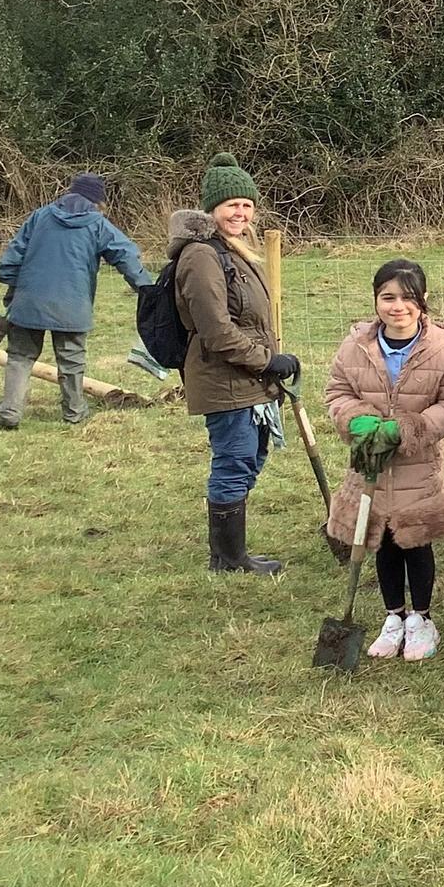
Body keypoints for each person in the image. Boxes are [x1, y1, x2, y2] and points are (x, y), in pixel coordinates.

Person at [325, 260, 444, 662]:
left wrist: (407, 428)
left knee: (415, 538)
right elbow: (337, 392)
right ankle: (394, 616)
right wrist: (357, 419)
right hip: (370, 462)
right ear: (376, 300)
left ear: (423, 300)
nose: (398, 306)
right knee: (383, 541)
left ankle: (421, 619)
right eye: (388, 297)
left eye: (408, 297)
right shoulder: (355, 346)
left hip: (418, 465)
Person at [171, 153, 296, 575]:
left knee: (250, 457)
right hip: (224, 378)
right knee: (234, 461)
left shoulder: (235, 250)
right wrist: (268, 361)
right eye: (231, 205)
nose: (240, 213)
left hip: (248, 379)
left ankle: (229, 553)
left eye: (247, 204)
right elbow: (217, 331)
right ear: (212, 209)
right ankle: (227, 558)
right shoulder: (202, 256)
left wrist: (269, 366)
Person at [0, 172, 150, 429]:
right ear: (97, 201)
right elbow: (126, 256)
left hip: (29, 300)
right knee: (71, 360)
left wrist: (14, 287)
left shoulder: (40, 216)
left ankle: (9, 413)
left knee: (20, 356)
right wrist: (148, 290)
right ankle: (74, 412)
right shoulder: (98, 225)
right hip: (72, 305)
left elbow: (12, 258)